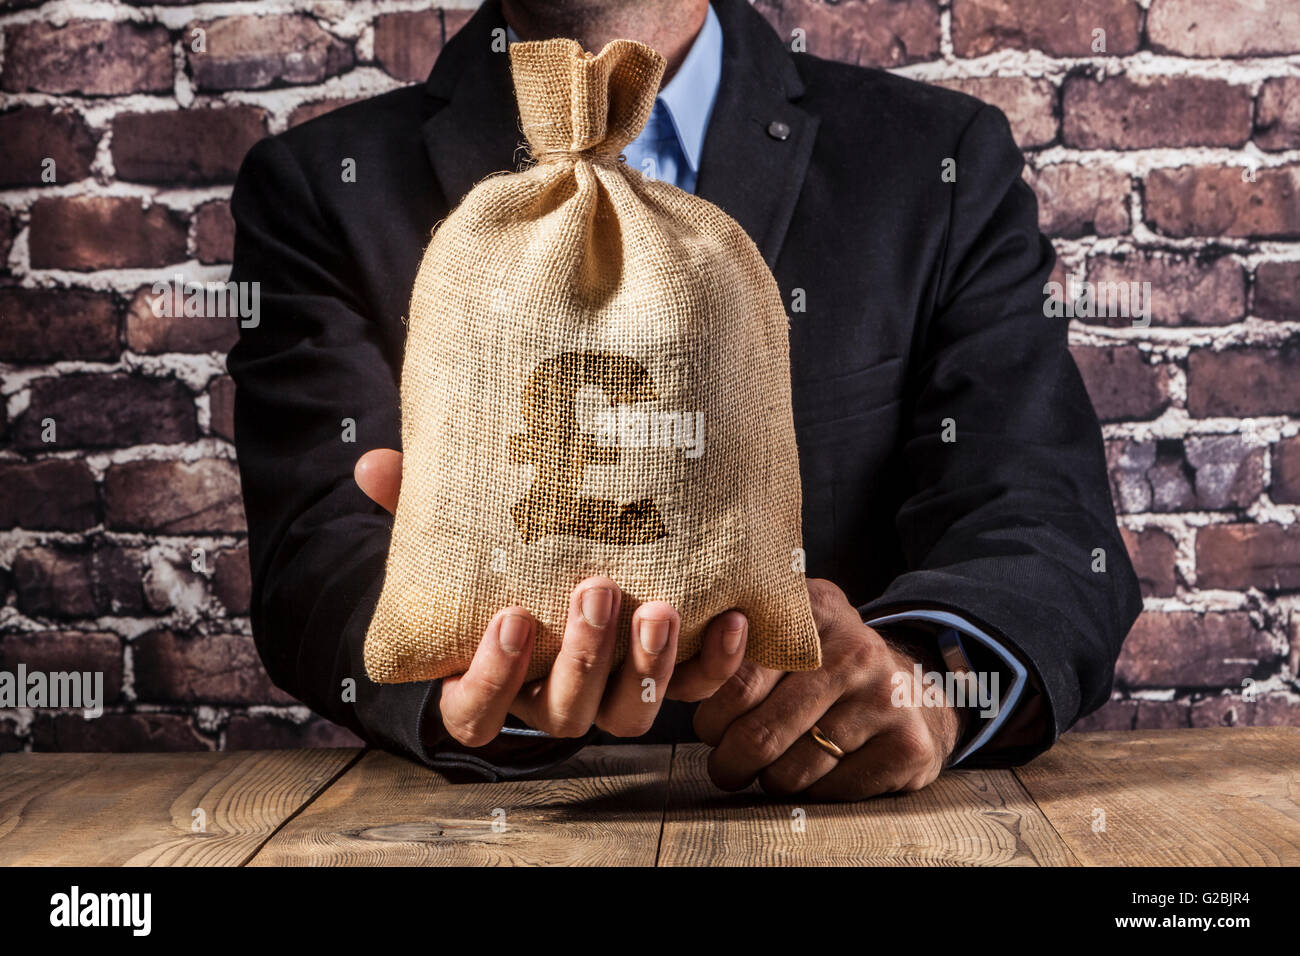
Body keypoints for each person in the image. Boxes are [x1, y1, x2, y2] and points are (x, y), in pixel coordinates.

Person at [227, 0, 1141, 800]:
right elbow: (319, 546)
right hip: (494, 828)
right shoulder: (321, 186)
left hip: (849, 822)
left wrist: (925, 680)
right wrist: (481, 686)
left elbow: (1042, 515)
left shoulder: (934, 162)